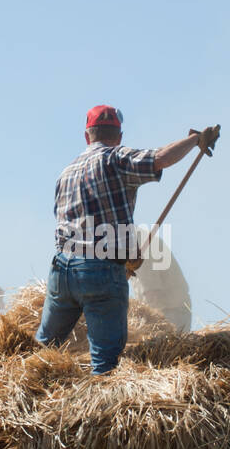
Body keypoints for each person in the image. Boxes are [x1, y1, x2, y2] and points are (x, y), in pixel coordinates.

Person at [36, 106, 218, 374]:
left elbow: (71, 223)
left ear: (87, 136)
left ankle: (29, 389)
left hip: (61, 269)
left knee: (44, 347)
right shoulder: (116, 158)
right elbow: (160, 158)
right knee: (105, 362)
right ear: (119, 136)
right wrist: (195, 140)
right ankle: (96, 407)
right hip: (99, 271)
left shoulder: (65, 174)